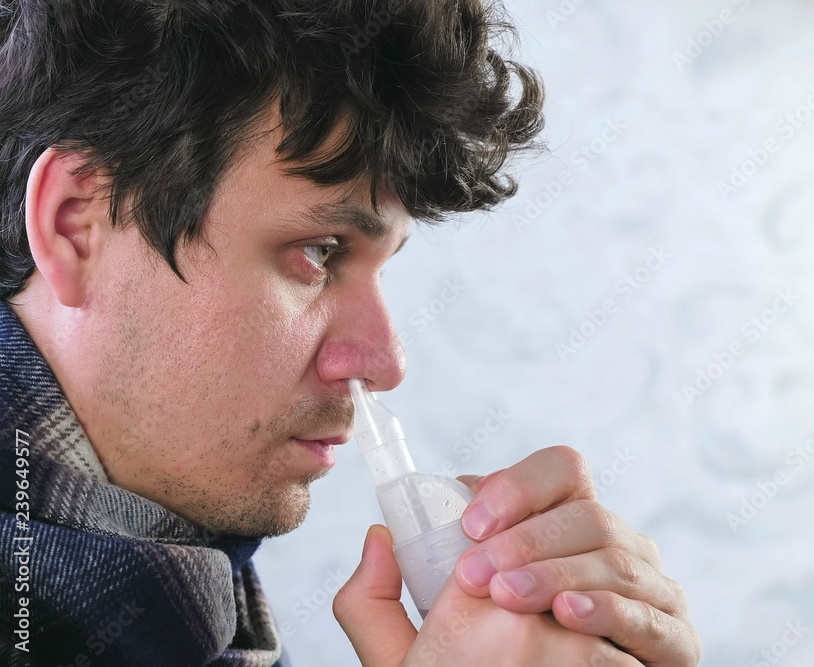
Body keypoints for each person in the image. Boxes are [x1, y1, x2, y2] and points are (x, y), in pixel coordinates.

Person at [0, 0, 701, 665]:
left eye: (384, 267)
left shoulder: (189, 593)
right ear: (76, 222)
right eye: (320, 251)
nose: (384, 361)